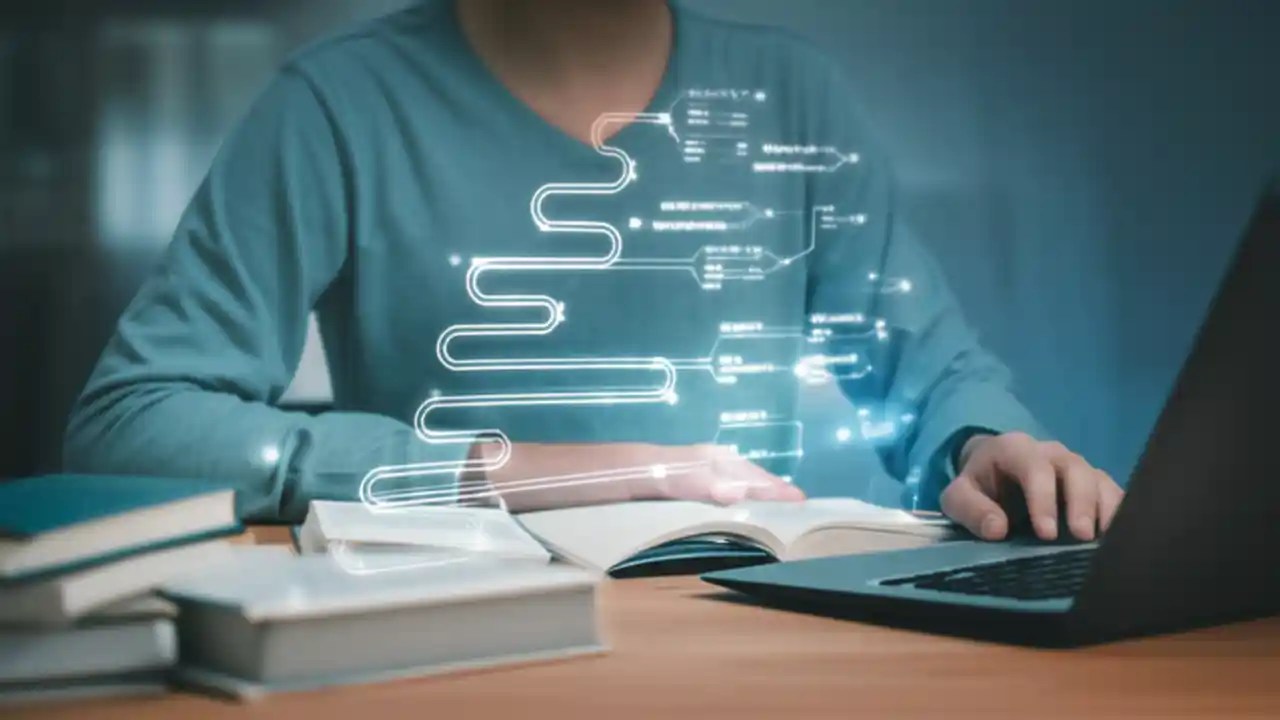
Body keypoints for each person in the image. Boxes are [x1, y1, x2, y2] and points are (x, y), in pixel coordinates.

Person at [64, 0, 1123, 543]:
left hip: (758, 636)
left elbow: (932, 374)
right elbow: (130, 423)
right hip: (462, 635)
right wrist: (529, 469)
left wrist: (980, 444)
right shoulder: (333, 106)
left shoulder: (790, 91)